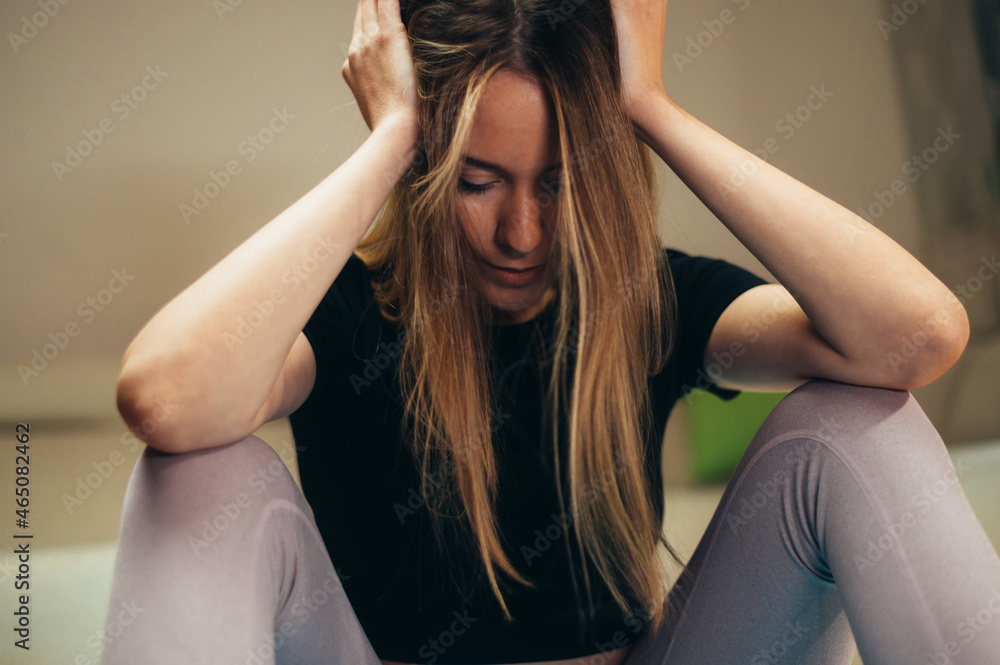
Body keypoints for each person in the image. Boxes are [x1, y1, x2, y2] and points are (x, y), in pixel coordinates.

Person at [101, 0, 1000, 664]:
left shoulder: (646, 300)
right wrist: (388, 138)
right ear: (425, 169)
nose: (523, 234)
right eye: (478, 179)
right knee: (202, 469)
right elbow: (165, 396)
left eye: (561, 181)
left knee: (850, 427)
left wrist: (650, 107)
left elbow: (917, 337)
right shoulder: (350, 314)